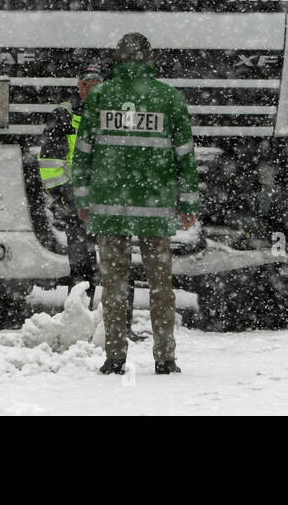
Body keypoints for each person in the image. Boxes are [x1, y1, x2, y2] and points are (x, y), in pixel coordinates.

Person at [72, 32, 198, 375]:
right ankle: (165, 358)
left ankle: (114, 358)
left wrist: (83, 199)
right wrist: (187, 202)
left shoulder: (100, 98)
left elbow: (82, 154)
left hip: (109, 207)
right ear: (148, 57)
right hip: (155, 208)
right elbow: (185, 155)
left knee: (114, 286)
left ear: (118, 59)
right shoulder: (168, 98)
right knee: (161, 286)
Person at [37, 65, 104, 304]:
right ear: (79, 86)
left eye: (95, 84)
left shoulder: (113, 115)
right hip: (76, 202)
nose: (90, 89)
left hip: (108, 200)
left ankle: (117, 324)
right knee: (81, 265)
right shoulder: (64, 116)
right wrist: (67, 197)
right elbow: (50, 163)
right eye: (85, 84)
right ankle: (78, 313)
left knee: (115, 266)